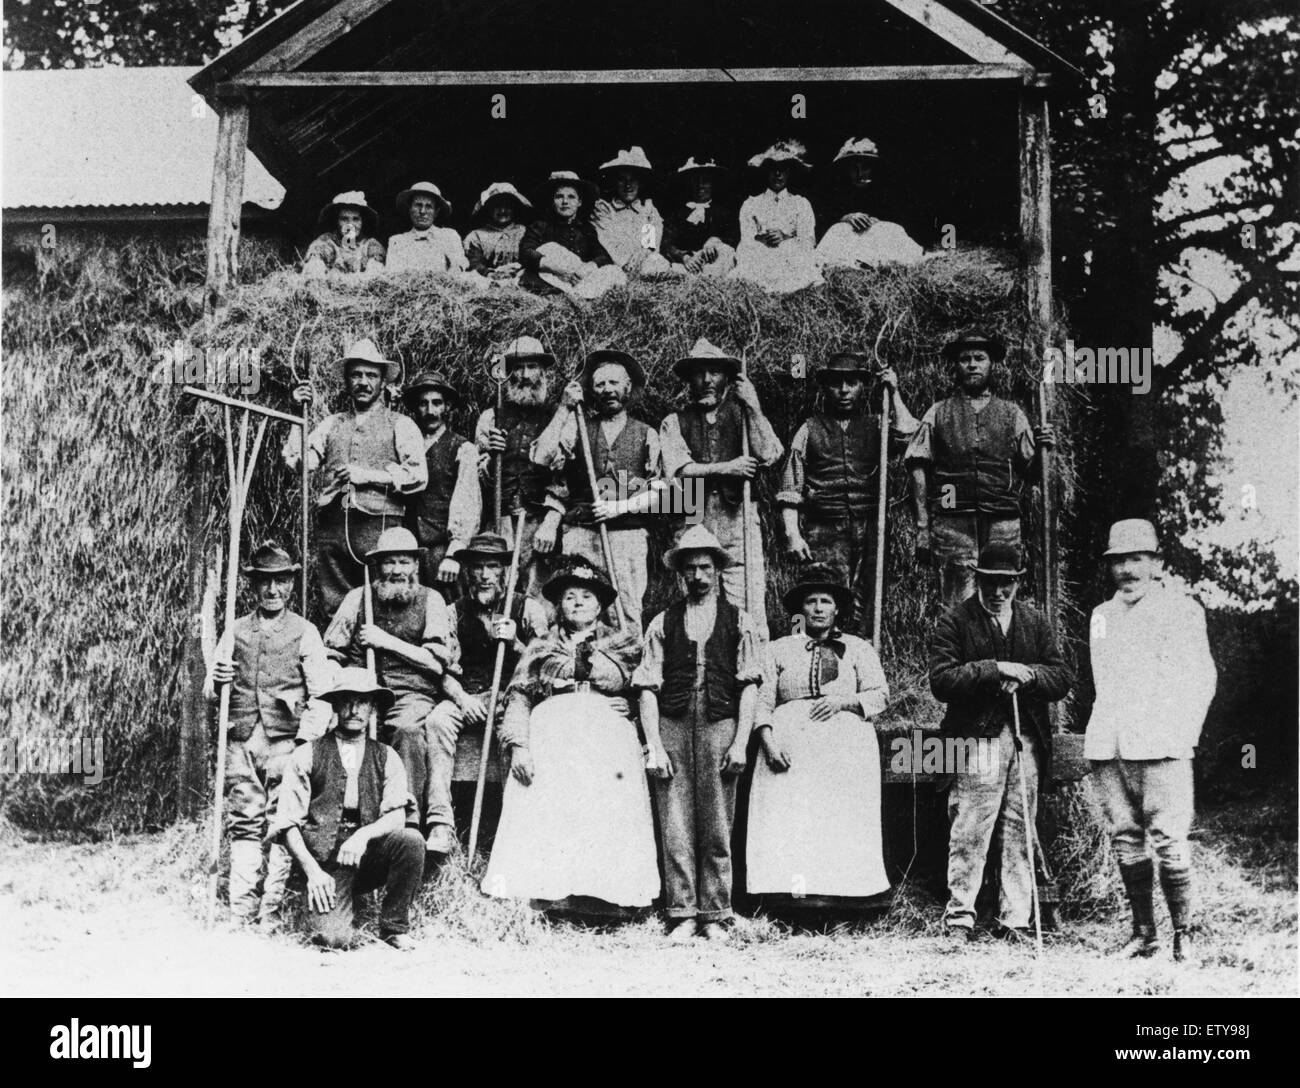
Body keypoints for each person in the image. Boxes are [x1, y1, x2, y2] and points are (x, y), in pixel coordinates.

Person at [483, 559, 656, 914]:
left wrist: (631, 707)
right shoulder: (540, 645)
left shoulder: (624, 642)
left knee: (604, 803)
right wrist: (519, 746)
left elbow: (647, 689)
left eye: (587, 595)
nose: (577, 602)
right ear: (559, 605)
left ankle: (608, 899)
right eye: (569, 596)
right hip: (553, 735)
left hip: (606, 737)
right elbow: (518, 694)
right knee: (552, 803)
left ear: (600, 605)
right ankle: (550, 894)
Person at [1085, 519, 1217, 962]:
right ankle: (1144, 933)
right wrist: (1105, 734)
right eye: (1118, 560)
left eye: (1136, 558)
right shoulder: (1100, 617)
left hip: (1163, 744)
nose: (1126, 569)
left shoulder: (1181, 610)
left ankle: (1186, 933)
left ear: (1156, 562)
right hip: (1111, 745)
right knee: (1125, 836)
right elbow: (1102, 680)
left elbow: (1200, 679)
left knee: (1168, 839)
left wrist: (1182, 735)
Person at [929, 542, 1073, 943]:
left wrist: (1028, 674)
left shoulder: (1035, 622)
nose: (997, 592)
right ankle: (959, 918)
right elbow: (942, 681)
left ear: (1017, 582)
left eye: (1006, 584)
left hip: (1026, 740)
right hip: (977, 742)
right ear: (977, 579)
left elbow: (1061, 676)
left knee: (1019, 829)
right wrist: (994, 670)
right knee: (971, 828)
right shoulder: (955, 621)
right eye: (990, 583)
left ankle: (1016, 920)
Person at [633, 526, 765, 940]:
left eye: (706, 567)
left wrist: (741, 741)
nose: (698, 576)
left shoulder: (739, 620)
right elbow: (647, 686)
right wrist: (653, 744)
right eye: (690, 569)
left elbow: (750, 686)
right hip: (672, 720)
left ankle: (716, 913)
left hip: (720, 722)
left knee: (717, 820)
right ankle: (684, 912)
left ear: (719, 571)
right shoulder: (662, 622)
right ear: (680, 574)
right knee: (675, 820)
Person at [206, 543, 333, 928]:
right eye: (265, 582)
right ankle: (240, 910)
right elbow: (211, 693)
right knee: (244, 821)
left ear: (291, 584)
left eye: (280, 581)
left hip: (285, 744)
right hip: (242, 742)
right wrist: (217, 680)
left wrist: (303, 744)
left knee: (281, 823)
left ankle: (271, 912)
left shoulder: (305, 633)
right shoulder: (236, 629)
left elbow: (323, 697)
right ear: (253, 586)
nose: (273, 590)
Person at [747, 566, 891, 905]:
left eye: (825, 601)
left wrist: (844, 701)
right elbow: (763, 700)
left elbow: (879, 694)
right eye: (810, 601)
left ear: (837, 608)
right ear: (801, 609)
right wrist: (768, 743)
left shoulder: (857, 648)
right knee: (790, 814)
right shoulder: (779, 649)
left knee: (836, 814)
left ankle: (845, 896)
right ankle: (786, 897)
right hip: (790, 743)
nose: (818, 608)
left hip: (842, 745)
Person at [273, 668, 424, 950]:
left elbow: (397, 815)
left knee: (411, 841)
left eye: (363, 701)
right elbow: (288, 824)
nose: (354, 710)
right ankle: (326, 906)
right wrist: (312, 871)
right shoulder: (307, 753)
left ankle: (393, 927)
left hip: (367, 855)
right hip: (324, 861)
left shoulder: (386, 756)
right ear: (335, 706)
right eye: (347, 701)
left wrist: (363, 835)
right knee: (334, 941)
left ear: (373, 708)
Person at [322, 527, 456, 844]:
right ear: (378, 566)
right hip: (361, 691)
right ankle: (343, 819)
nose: (396, 570)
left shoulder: (431, 599)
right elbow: (331, 652)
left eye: (404, 562)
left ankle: (407, 822)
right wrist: (336, 684)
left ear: (416, 565)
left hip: (410, 693)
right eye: (389, 562)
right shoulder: (358, 598)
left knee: (408, 729)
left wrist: (386, 641)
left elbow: (436, 663)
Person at [905, 331, 1056, 604]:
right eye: (965, 359)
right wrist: (923, 527)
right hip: (953, 521)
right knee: (957, 604)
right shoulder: (938, 412)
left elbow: (1033, 474)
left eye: (979, 358)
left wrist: (1045, 449)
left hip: (1002, 521)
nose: (972, 364)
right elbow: (918, 466)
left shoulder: (1012, 414)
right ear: (956, 366)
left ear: (991, 364)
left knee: (1000, 597)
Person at [425, 533, 550, 856]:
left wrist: (517, 645)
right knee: (438, 721)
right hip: (468, 697)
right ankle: (441, 823)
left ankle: (515, 833)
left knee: (513, 737)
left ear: (505, 572)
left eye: (492, 567)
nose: (483, 575)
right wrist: (462, 699)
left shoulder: (528, 609)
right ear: (466, 571)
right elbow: (443, 670)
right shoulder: (453, 612)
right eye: (477, 567)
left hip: (512, 698)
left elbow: (549, 666)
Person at [778, 351, 919, 637]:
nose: (843, 390)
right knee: (823, 592)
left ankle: (862, 655)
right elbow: (790, 487)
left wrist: (894, 390)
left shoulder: (877, 425)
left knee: (868, 593)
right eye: (836, 383)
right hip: (824, 527)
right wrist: (793, 533)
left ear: (862, 387)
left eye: (851, 383)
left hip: (870, 524)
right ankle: (813, 653)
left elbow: (910, 434)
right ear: (825, 387)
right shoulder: (809, 429)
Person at [283, 337, 427, 616]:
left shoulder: (401, 425)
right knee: (334, 604)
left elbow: (418, 476)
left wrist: (367, 477)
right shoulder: (331, 424)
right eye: (356, 375)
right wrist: (296, 417)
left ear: (383, 381)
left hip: (380, 531)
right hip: (334, 529)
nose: (363, 382)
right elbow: (300, 463)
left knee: (380, 604)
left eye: (371, 375)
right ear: (347, 381)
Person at [531, 348, 663, 630]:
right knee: (576, 611)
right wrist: (564, 408)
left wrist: (618, 507)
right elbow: (542, 458)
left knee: (625, 613)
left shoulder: (647, 434)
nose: (607, 390)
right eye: (600, 384)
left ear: (627, 387)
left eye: (614, 383)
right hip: (581, 535)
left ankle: (623, 669)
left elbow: (660, 491)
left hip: (627, 537)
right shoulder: (577, 426)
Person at [659, 337, 783, 620]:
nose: (706, 380)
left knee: (749, 605)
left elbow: (770, 454)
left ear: (727, 377)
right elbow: (679, 469)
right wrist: (727, 469)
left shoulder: (743, 415)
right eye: (698, 373)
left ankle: (751, 661)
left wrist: (753, 405)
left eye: (714, 372)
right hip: (693, 521)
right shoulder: (674, 421)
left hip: (737, 521)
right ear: (689, 380)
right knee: (697, 605)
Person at [475, 336, 566, 600]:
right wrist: (492, 456)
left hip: (537, 521)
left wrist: (551, 521)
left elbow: (565, 476)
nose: (525, 375)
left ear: (542, 371)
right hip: (499, 519)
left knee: (536, 596)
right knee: (499, 590)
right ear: (508, 371)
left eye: (532, 367)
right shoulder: (491, 417)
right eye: (518, 367)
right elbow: (478, 479)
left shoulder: (557, 418)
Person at [401, 368, 481, 595]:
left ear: (447, 407)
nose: (430, 411)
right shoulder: (405, 446)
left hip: (441, 553)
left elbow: (468, 506)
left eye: (437, 403)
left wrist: (453, 554)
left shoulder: (462, 449)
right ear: (415, 408)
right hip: (410, 552)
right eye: (423, 404)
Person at [815, 137, 923, 270]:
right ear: (847, 170)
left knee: (888, 230)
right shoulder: (837, 192)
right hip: (849, 238)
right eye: (854, 169)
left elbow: (899, 218)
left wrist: (876, 221)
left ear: (872, 169)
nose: (860, 174)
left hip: (877, 238)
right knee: (838, 230)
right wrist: (846, 218)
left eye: (864, 167)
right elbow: (824, 219)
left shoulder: (885, 190)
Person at [732, 139, 821, 294]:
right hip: (761, 256)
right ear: (766, 171)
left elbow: (808, 240)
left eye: (783, 169)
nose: (778, 174)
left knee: (801, 260)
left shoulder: (801, 204)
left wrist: (785, 238)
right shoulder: (751, 204)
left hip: (790, 258)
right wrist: (762, 238)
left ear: (789, 172)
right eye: (773, 169)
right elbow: (746, 238)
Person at [519, 171, 622, 298]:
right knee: (548, 250)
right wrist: (556, 267)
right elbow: (526, 251)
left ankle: (580, 295)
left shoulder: (586, 228)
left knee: (615, 272)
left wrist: (587, 268)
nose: (565, 202)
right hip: (550, 277)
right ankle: (569, 295)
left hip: (578, 279)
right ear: (552, 201)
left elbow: (602, 255)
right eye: (559, 196)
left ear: (579, 202)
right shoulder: (541, 226)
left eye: (571, 197)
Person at [591, 147, 673, 278]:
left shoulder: (647, 210)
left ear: (640, 183)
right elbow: (608, 242)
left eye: (633, 180)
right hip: (616, 266)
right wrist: (626, 263)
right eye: (622, 179)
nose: (628, 185)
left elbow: (649, 244)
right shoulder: (605, 210)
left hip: (644, 264)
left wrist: (642, 255)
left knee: (657, 262)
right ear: (615, 183)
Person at [662, 155, 738, 277]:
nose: (700, 186)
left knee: (725, 253)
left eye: (705, 181)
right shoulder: (678, 213)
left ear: (712, 184)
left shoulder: (723, 212)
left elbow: (733, 238)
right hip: (686, 264)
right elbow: (667, 243)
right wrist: (684, 257)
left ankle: (709, 279)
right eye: (695, 181)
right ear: (689, 183)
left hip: (714, 262)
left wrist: (715, 240)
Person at [385, 181, 469, 275]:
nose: (422, 211)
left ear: (436, 212)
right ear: (410, 208)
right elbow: (392, 273)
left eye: (429, 207)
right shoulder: (397, 241)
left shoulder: (449, 236)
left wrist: (454, 270)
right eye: (418, 205)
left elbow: (459, 262)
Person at [302, 191, 386, 276]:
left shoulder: (370, 245)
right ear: (337, 221)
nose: (350, 224)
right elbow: (313, 270)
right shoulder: (327, 242)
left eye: (356, 219)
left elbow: (375, 275)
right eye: (344, 219)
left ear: (363, 222)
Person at [464, 182, 531, 281]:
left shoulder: (524, 232)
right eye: (497, 206)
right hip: (488, 280)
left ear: (514, 208)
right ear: (489, 209)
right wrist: (489, 273)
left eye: (507, 206)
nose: (502, 211)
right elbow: (474, 262)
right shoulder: (477, 236)